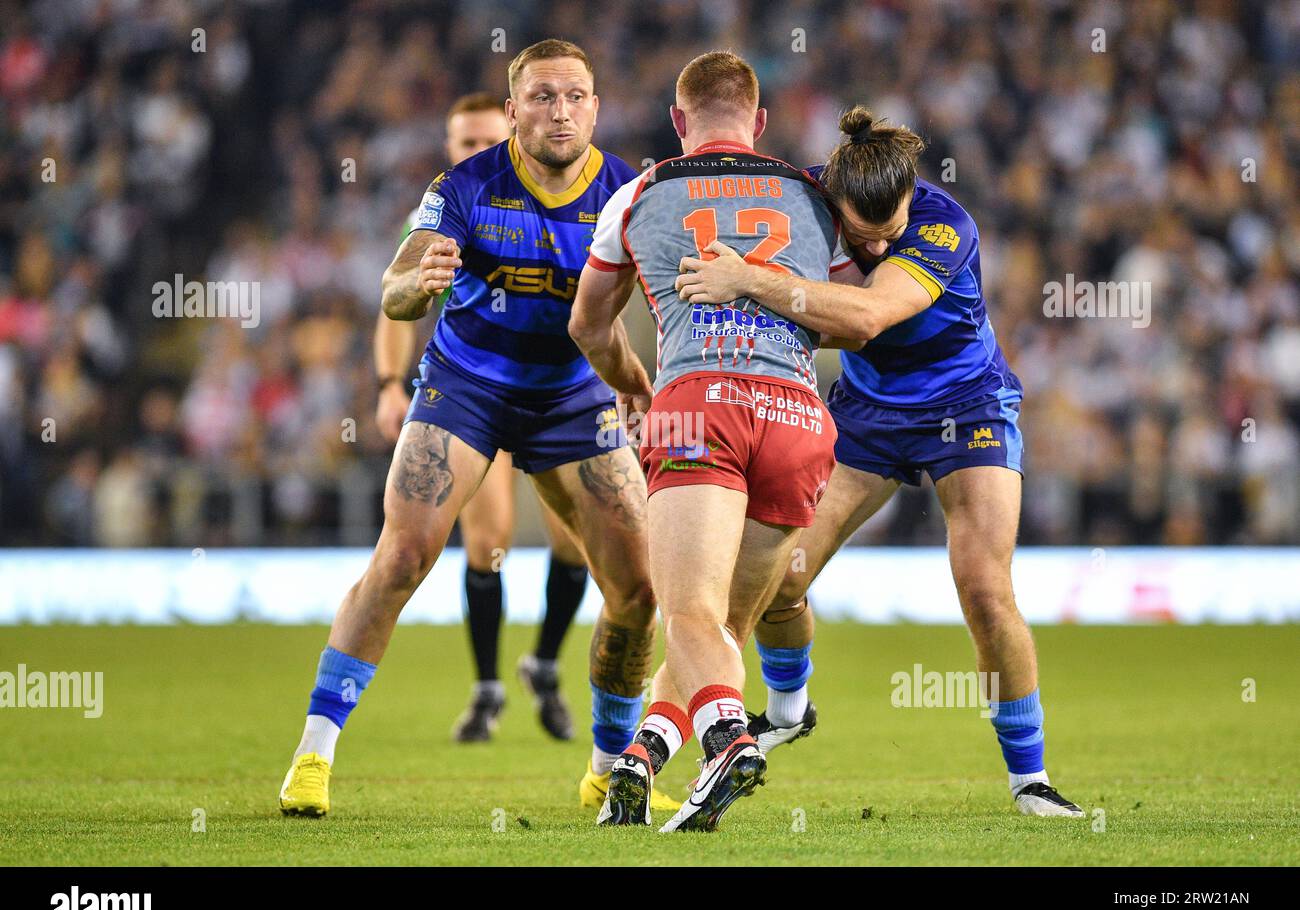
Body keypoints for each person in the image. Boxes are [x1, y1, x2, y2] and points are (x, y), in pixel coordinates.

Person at [279, 39, 681, 818]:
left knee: (636, 590)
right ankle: (313, 755)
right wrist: (414, 285)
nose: (559, 110)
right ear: (511, 111)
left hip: (575, 396)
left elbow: (669, 294)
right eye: (540, 97)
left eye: (574, 96)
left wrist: (649, 383)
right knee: (402, 556)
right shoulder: (466, 184)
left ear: (595, 107)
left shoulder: (632, 191)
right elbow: (398, 288)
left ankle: (606, 768)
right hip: (468, 388)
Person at [674, 106, 1084, 818]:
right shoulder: (801, 199)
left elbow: (863, 319)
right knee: (779, 578)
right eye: (867, 234)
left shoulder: (944, 225)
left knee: (984, 587)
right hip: (867, 411)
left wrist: (748, 280)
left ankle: (1030, 780)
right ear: (834, 198)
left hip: (967, 407)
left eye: (893, 226)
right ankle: (789, 707)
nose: (884, 240)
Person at [570, 52, 849, 831]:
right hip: (798, 413)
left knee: (685, 610)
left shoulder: (638, 192)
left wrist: (634, 388)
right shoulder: (814, 194)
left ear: (677, 120)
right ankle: (645, 754)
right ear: (759, 123)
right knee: (723, 625)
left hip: (698, 401)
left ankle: (727, 740)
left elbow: (587, 324)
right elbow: (856, 303)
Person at [373, 91, 589, 744]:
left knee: (572, 544)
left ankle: (545, 664)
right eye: (463, 143)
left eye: (484, 140)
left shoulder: (565, 198)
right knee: (487, 542)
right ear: (450, 148)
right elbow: (396, 298)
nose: (474, 153)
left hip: (557, 394)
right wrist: (389, 384)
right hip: (480, 394)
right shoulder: (447, 206)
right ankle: (488, 686)